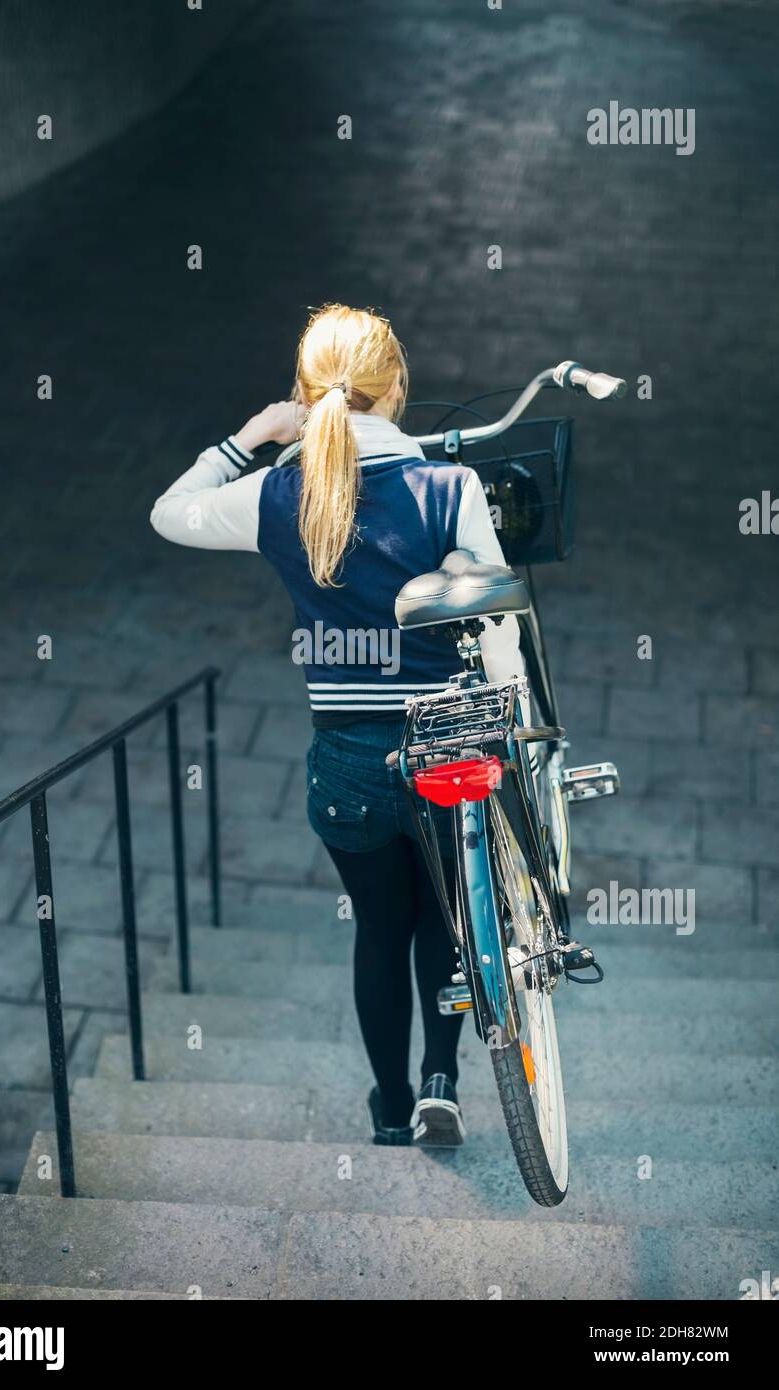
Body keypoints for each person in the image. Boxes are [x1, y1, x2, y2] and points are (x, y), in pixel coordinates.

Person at [150, 304, 526, 1146]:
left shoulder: (278, 493)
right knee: (446, 920)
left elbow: (169, 513)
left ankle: (389, 1106)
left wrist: (251, 435)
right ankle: (442, 1082)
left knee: (379, 932)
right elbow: (498, 628)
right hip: (448, 749)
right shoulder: (447, 488)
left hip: (348, 768)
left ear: (304, 392)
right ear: (397, 386)